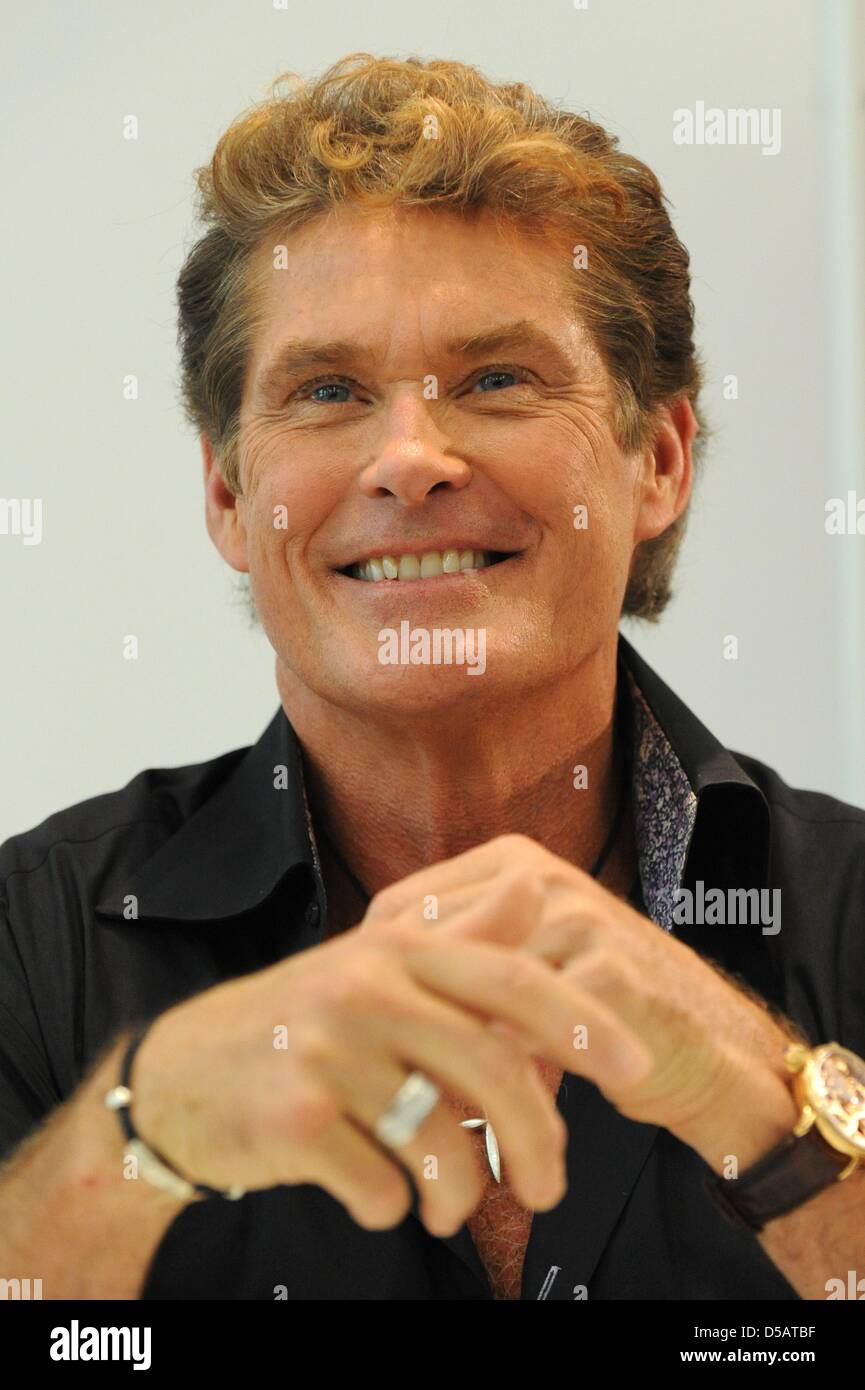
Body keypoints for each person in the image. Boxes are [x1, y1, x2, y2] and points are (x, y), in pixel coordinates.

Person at [1, 53, 863, 1302]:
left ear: (659, 460)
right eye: (329, 389)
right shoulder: (32, 946)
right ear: (232, 497)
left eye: (497, 379)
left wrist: (763, 1103)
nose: (410, 458)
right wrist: (129, 1144)